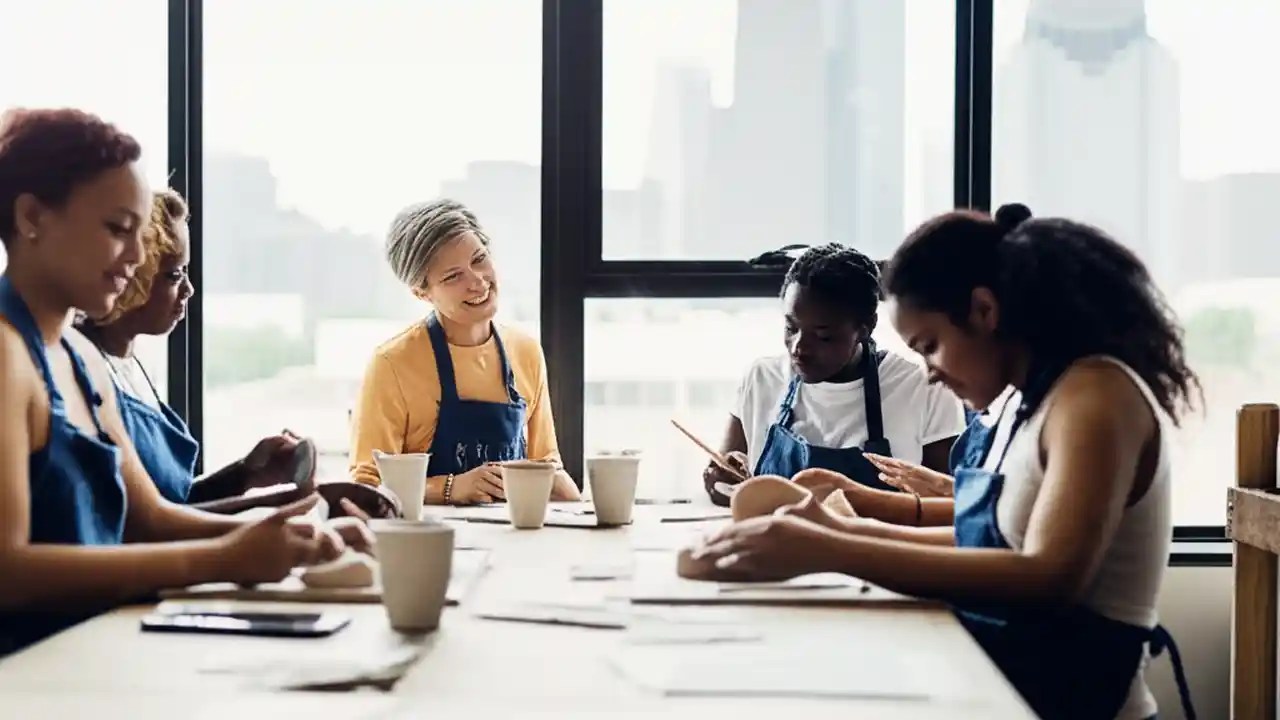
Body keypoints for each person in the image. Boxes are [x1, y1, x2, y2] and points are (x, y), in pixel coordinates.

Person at [684, 205, 1196, 720]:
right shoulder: (1034, 404)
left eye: (930, 346)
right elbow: (981, 539)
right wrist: (836, 523)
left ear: (984, 312)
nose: (928, 373)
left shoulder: (1096, 397)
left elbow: (1046, 576)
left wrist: (831, 546)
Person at [0, 108, 369, 655]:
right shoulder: (6, 356)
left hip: (97, 651)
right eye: (118, 229)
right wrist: (223, 558)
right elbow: (9, 573)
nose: (138, 255)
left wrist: (298, 532)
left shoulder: (79, 355)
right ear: (32, 217)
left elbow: (150, 520)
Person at [75, 189, 307, 508]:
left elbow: (170, 507)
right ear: (131, 274)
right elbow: (145, 528)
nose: (188, 289)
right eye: (173, 275)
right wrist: (279, 509)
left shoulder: (129, 365)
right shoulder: (81, 371)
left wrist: (244, 476)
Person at [350, 199, 580, 505]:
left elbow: (547, 466)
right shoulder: (392, 363)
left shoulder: (526, 353)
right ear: (422, 292)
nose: (477, 281)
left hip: (515, 542)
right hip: (429, 545)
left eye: (479, 259)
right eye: (452, 276)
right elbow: (367, 486)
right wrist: (449, 488)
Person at [701, 243, 965, 507]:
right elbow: (728, 477)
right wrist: (720, 482)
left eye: (823, 336)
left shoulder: (923, 387)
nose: (799, 348)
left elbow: (946, 505)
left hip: (879, 547)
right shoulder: (761, 379)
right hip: (776, 545)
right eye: (791, 328)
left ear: (865, 328)